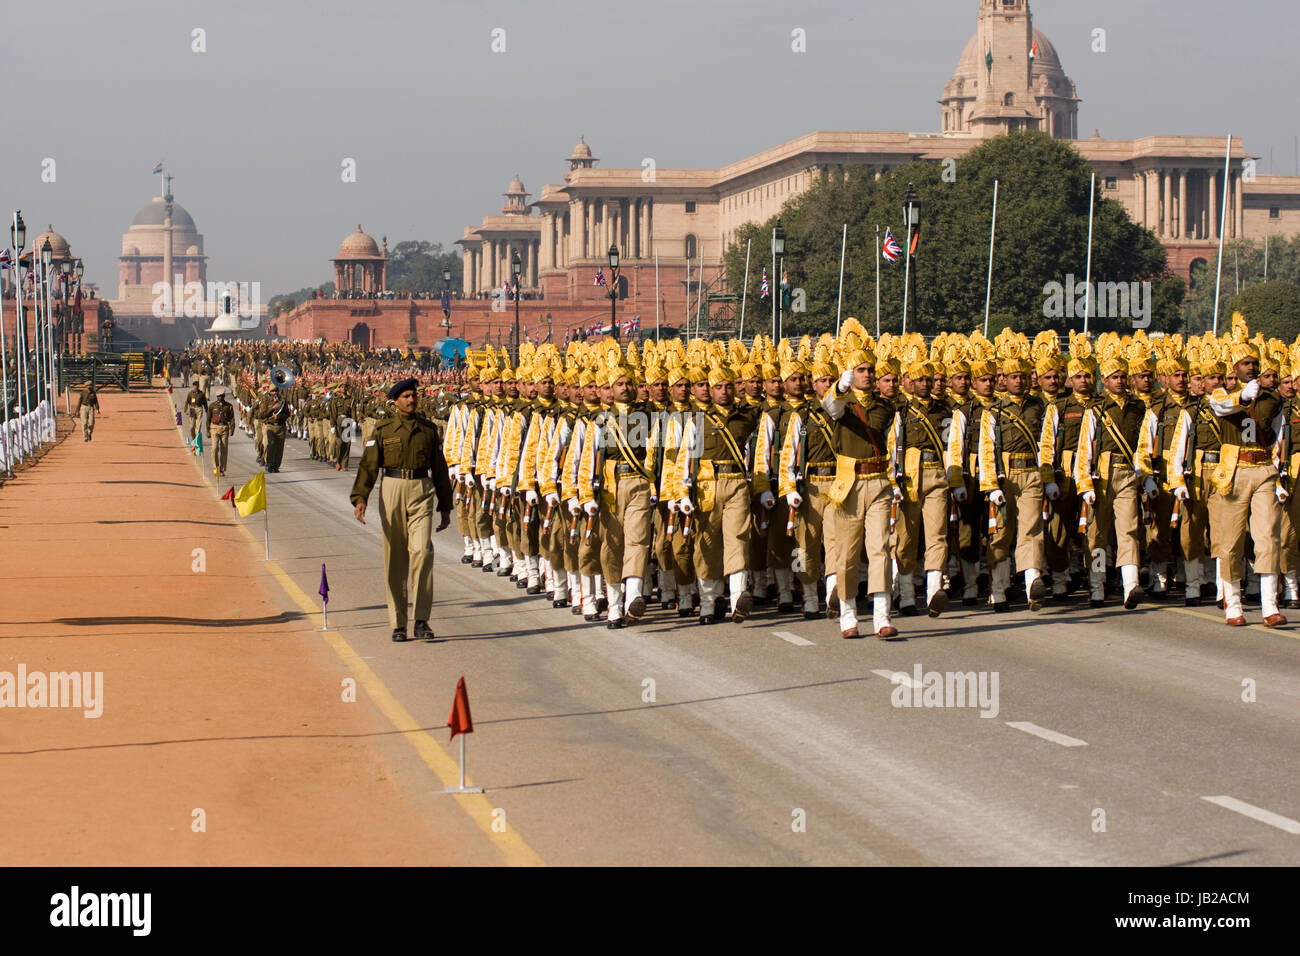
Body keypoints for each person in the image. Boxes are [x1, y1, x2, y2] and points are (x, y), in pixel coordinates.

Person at [351, 378, 455, 643]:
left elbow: (440, 470)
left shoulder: (429, 430)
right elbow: (369, 465)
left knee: (423, 551)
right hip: (392, 488)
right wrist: (360, 497)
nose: (412, 400)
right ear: (395, 401)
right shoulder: (383, 430)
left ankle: (421, 620)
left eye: (414, 395)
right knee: (396, 558)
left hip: (421, 489)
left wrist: (445, 505)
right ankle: (398, 623)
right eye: (406, 396)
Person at [208, 389, 235, 477]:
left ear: (224, 396)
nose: (221, 398)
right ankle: (215, 467)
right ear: (217, 397)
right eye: (219, 396)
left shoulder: (229, 406)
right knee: (214, 448)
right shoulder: (212, 406)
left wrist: (232, 428)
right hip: (214, 427)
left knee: (224, 449)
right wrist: (208, 430)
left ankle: (222, 469)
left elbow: (232, 418)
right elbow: (208, 418)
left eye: (222, 396)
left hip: (224, 428)